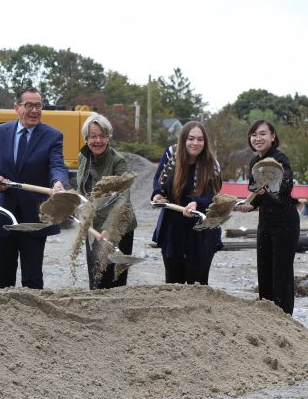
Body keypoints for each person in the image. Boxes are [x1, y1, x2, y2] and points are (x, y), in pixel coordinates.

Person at [0, 87, 68, 289]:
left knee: (32, 278)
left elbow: (57, 164)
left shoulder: (52, 136)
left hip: (34, 217)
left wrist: (58, 182)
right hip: (5, 214)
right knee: (3, 279)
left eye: (38, 105)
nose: (34, 110)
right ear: (17, 107)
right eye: (29, 105)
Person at [236, 120, 299, 314]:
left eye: (263, 134)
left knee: (281, 273)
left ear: (272, 136)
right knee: (264, 271)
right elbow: (255, 194)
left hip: (285, 222)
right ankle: (266, 317)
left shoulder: (280, 159)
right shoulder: (254, 162)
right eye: (254, 134)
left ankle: (284, 317)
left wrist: (267, 191)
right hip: (265, 222)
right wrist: (249, 205)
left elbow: (285, 190)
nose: (258, 138)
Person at [152, 121, 222, 285]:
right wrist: (158, 194)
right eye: (191, 138)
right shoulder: (171, 154)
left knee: (196, 284)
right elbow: (159, 179)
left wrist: (197, 203)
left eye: (200, 139)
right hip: (172, 228)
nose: (195, 143)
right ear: (183, 139)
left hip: (201, 229)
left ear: (205, 142)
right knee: (173, 283)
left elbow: (213, 195)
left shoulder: (212, 164)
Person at [75, 114, 137, 289]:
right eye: (93, 136)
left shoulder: (117, 161)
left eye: (102, 136)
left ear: (109, 137)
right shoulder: (83, 157)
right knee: (96, 278)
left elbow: (123, 197)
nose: (98, 140)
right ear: (86, 138)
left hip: (118, 226)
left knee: (114, 280)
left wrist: (110, 227)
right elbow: (82, 190)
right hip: (93, 227)